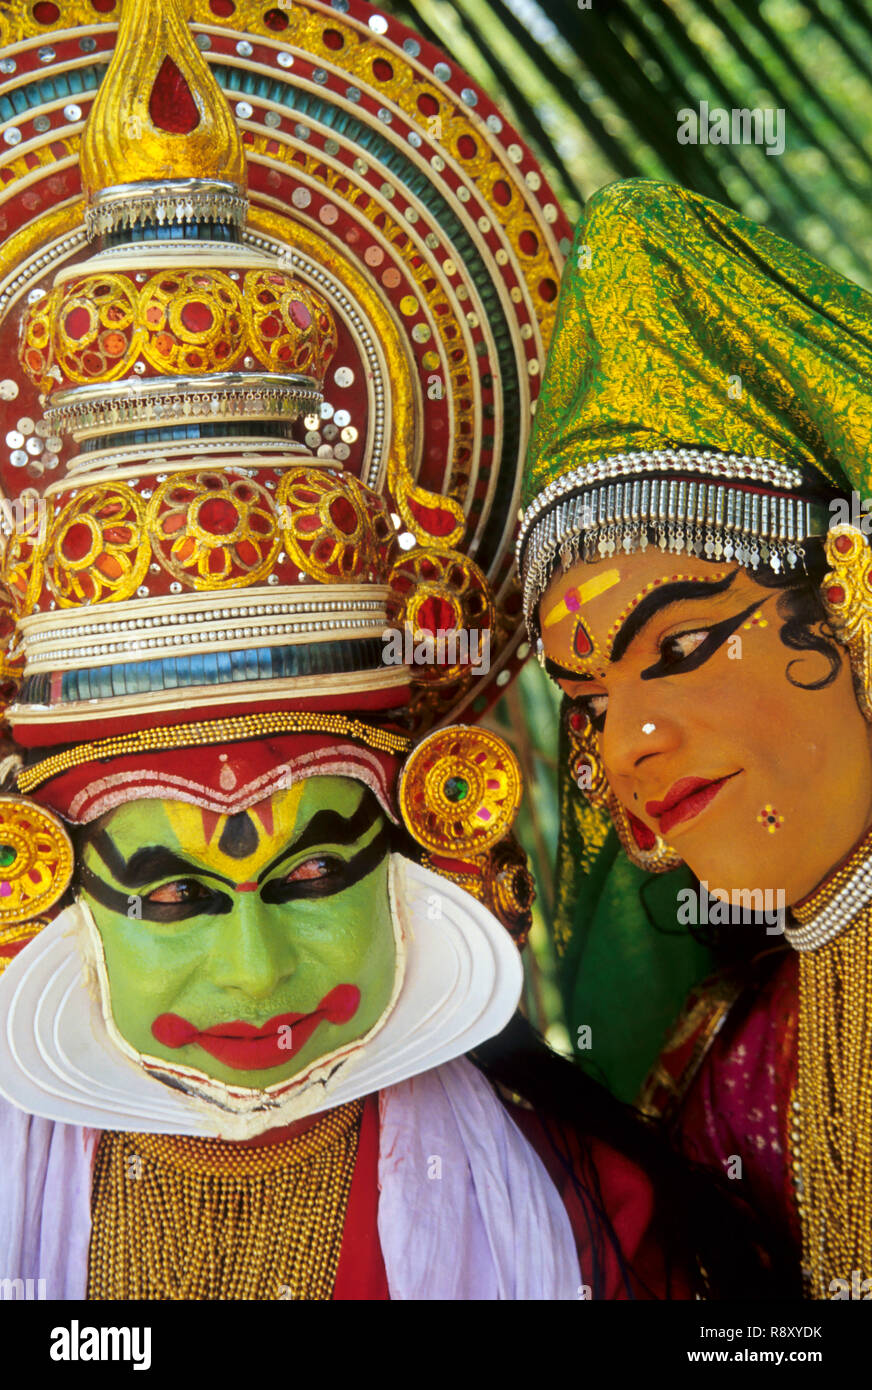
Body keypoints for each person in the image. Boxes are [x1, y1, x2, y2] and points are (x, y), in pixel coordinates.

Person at [0, 1, 779, 1301]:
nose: (255, 974)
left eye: (314, 871)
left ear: (431, 827)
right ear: (38, 881)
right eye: (174, 897)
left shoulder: (598, 1215)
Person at [519, 174, 872, 1300]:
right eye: (586, 700)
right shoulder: (713, 1068)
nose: (625, 743)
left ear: (847, 601)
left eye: (671, 651)